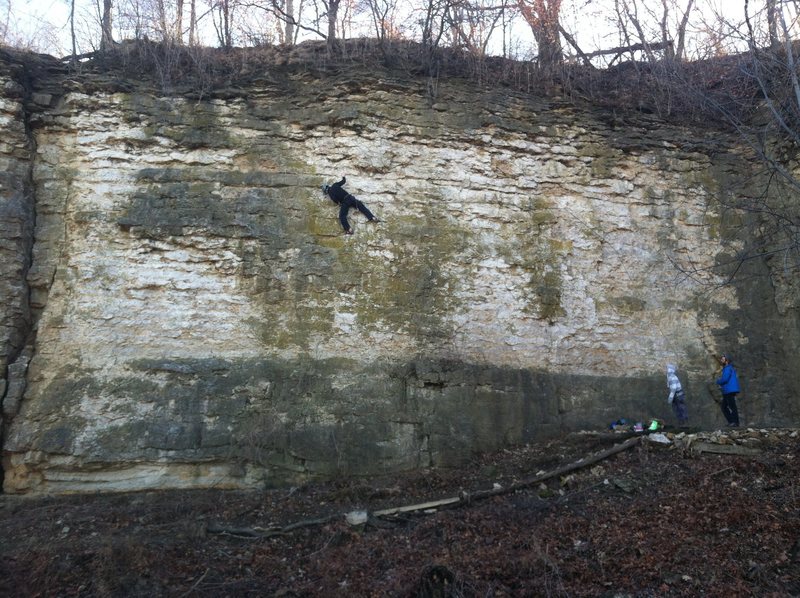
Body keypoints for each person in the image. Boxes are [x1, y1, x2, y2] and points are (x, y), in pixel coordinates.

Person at [716, 353, 741, 427]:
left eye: (723, 359)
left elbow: (725, 379)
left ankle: (735, 422)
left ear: (727, 360)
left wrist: (718, 381)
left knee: (731, 406)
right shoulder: (728, 368)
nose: (721, 360)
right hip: (728, 390)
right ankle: (732, 422)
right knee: (725, 406)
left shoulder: (727, 368)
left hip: (729, 390)